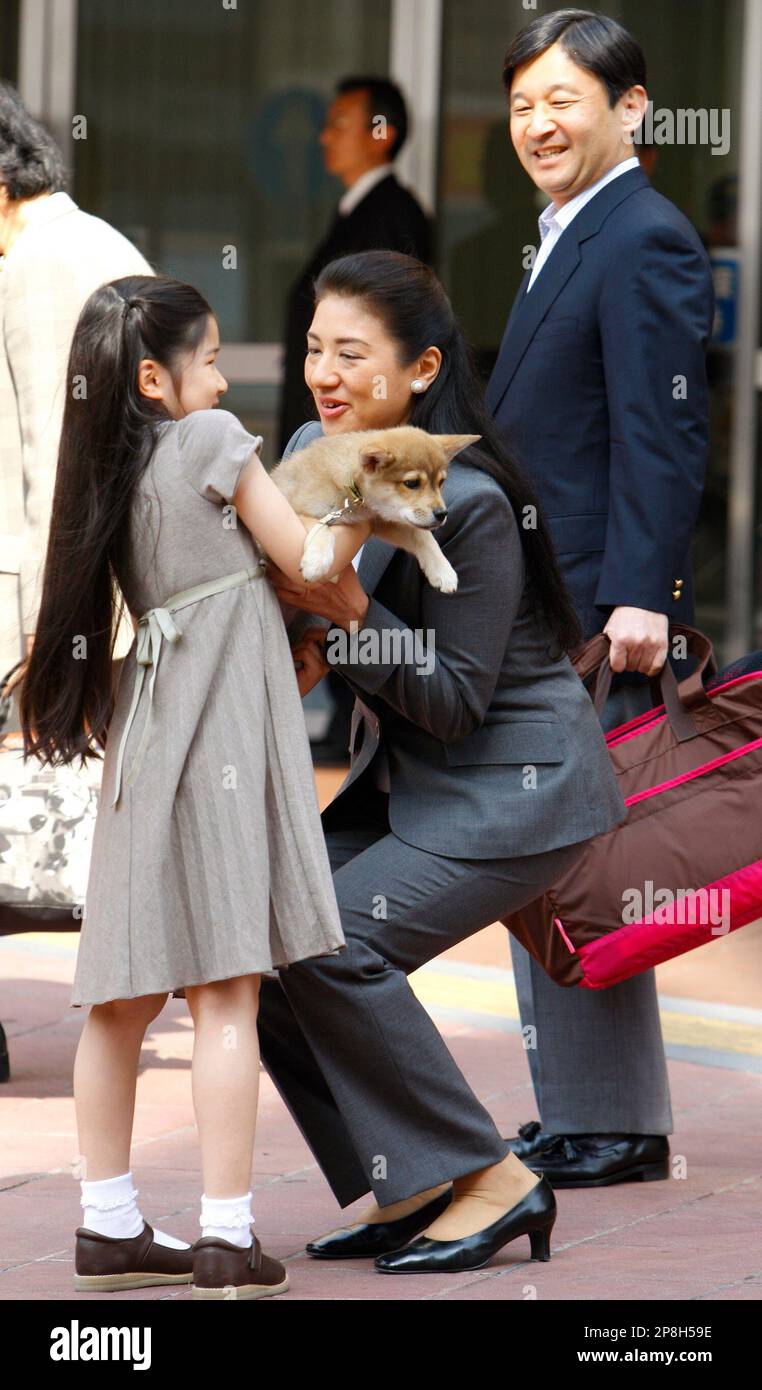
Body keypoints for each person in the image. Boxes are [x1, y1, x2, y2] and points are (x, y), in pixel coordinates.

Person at [256, 247, 627, 1276]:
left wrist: (351, 615)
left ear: (421, 370)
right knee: (260, 934)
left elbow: (458, 703)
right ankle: (413, 1178)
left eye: (352, 354)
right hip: (417, 783)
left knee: (331, 944)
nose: (325, 374)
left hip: (519, 790)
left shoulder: (468, 499)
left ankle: (495, 1177)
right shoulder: (308, 451)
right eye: (315, 349)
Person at [20, 274, 372, 1300]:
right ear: (156, 380)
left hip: (149, 731)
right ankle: (226, 1234)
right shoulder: (212, 442)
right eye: (211, 358)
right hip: (222, 718)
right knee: (226, 988)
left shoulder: (105, 473)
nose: (222, 376)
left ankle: (108, 1221)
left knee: (121, 998)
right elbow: (307, 554)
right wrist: (365, 489)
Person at [484, 9, 715, 1184]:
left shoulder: (642, 235)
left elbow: (663, 430)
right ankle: (591, 1111)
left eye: (562, 98)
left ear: (632, 109)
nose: (538, 123)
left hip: (590, 616)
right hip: (547, 606)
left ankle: (614, 1121)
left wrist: (643, 595)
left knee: (574, 855)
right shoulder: (576, 228)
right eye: (523, 102)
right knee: (557, 855)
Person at [0, 80, 152, 680]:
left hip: (67, 623)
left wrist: (48, 638)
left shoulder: (44, 262)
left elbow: (60, 462)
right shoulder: (71, 244)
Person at [279, 75, 431, 453]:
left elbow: (383, 325)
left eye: (339, 124)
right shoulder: (359, 210)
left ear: (382, 134)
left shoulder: (391, 215)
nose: (324, 138)